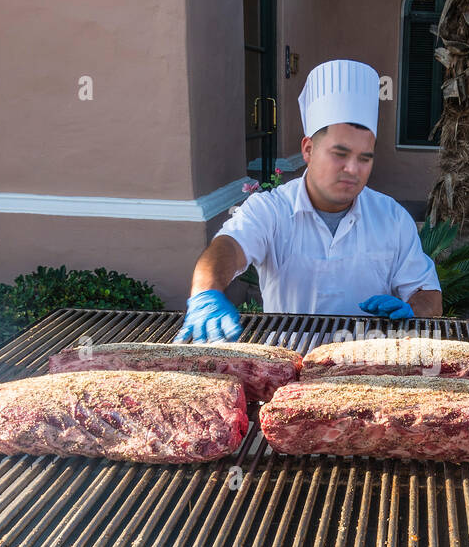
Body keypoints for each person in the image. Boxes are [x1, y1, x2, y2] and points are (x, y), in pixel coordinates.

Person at [174, 59, 443, 342]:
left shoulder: (392, 218)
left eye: (365, 158)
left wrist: (413, 310)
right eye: (340, 154)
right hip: (288, 369)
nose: (353, 169)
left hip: (368, 371)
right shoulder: (272, 210)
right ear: (309, 149)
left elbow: (428, 295)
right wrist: (206, 293)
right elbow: (227, 246)